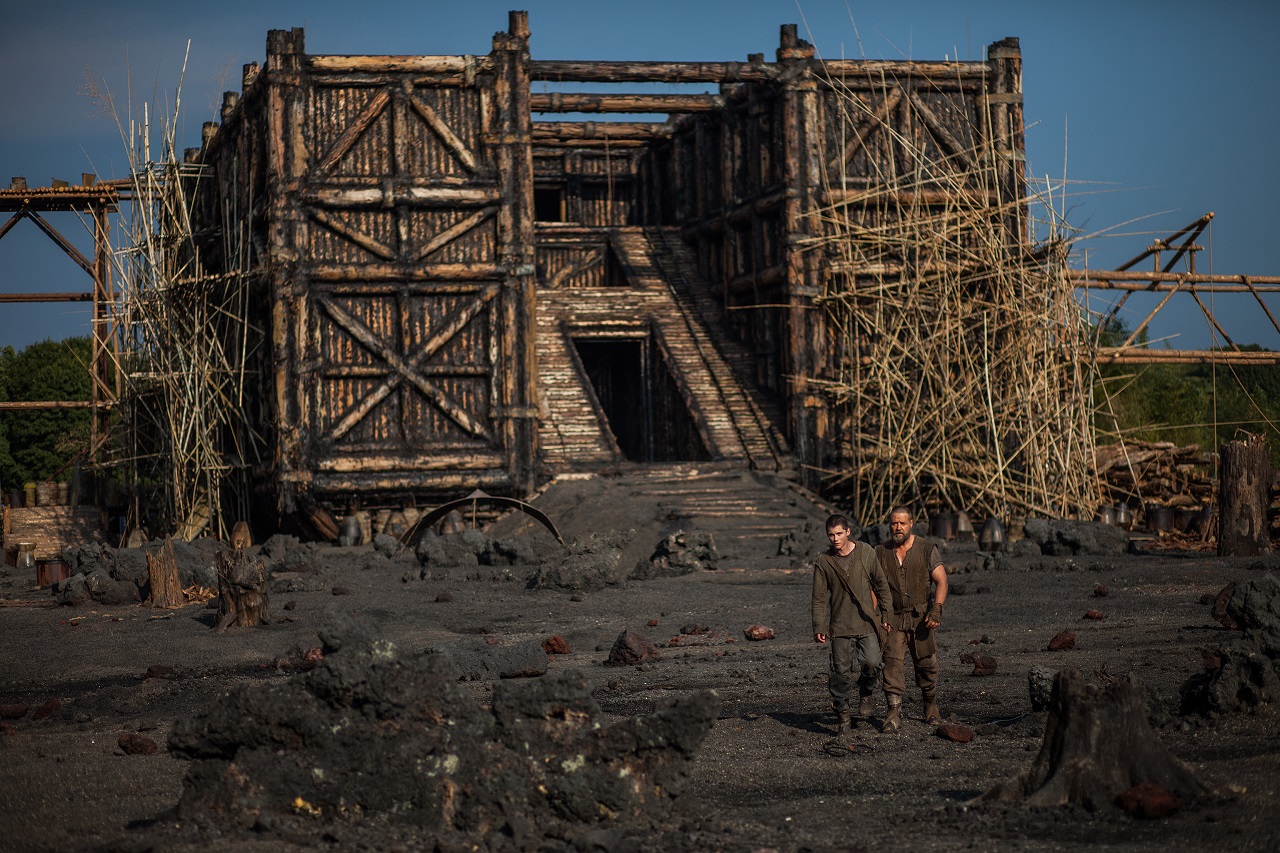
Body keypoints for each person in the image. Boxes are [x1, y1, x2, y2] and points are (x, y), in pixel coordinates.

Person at [812, 514, 893, 735]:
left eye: (839, 533)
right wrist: (819, 626)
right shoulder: (824, 561)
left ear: (848, 532)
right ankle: (844, 717)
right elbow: (819, 598)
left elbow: (881, 584)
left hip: (866, 623)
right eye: (831, 535)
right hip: (839, 627)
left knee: (872, 663)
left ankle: (866, 691)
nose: (835, 539)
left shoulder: (866, 552)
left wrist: (887, 614)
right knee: (840, 674)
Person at [875, 506, 949, 732]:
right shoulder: (881, 551)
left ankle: (931, 706)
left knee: (927, 664)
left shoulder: (927, 549)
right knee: (892, 664)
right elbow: (874, 586)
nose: (897, 527)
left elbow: (942, 581)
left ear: (911, 523)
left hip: (920, 619)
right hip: (893, 618)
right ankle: (893, 713)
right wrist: (875, 616)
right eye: (894, 523)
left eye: (902, 523)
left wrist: (936, 609)